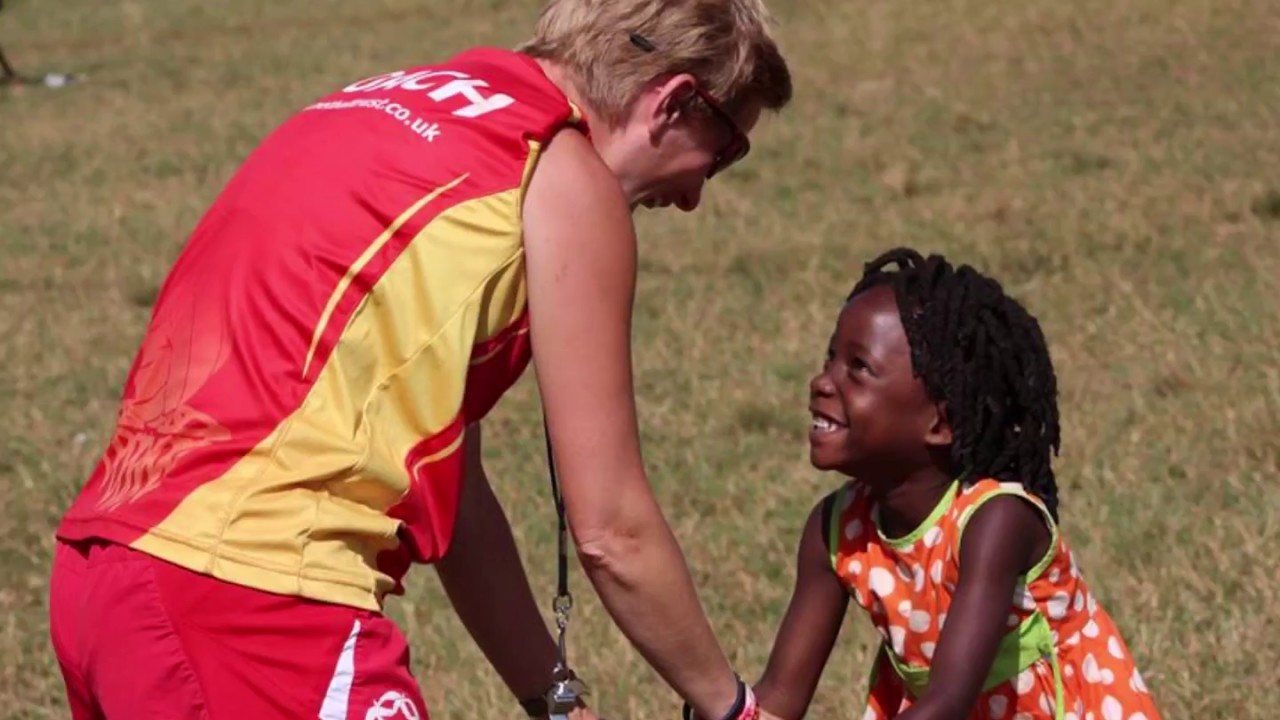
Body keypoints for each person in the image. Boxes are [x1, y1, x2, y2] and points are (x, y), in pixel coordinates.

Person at [47, 1, 793, 718]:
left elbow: (454, 499)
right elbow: (612, 531)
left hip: (104, 575)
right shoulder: (559, 173)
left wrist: (555, 702)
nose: (696, 195)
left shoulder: (388, 105)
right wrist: (731, 706)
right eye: (723, 150)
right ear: (673, 100)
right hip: (256, 604)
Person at [744, 249, 1162, 720]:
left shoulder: (995, 520)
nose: (822, 382)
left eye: (858, 368)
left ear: (939, 424)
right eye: (830, 359)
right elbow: (780, 696)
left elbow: (945, 702)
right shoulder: (834, 529)